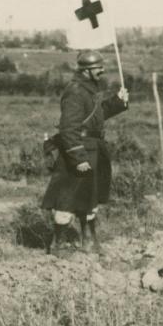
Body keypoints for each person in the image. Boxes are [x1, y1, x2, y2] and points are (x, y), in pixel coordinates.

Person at [42, 50, 129, 254]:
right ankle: (58, 245)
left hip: (92, 150)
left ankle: (89, 241)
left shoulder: (89, 90)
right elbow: (68, 128)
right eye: (98, 68)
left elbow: (96, 117)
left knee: (89, 198)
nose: (102, 71)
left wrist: (118, 101)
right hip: (78, 152)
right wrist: (78, 157)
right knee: (67, 198)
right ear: (87, 71)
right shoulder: (75, 91)